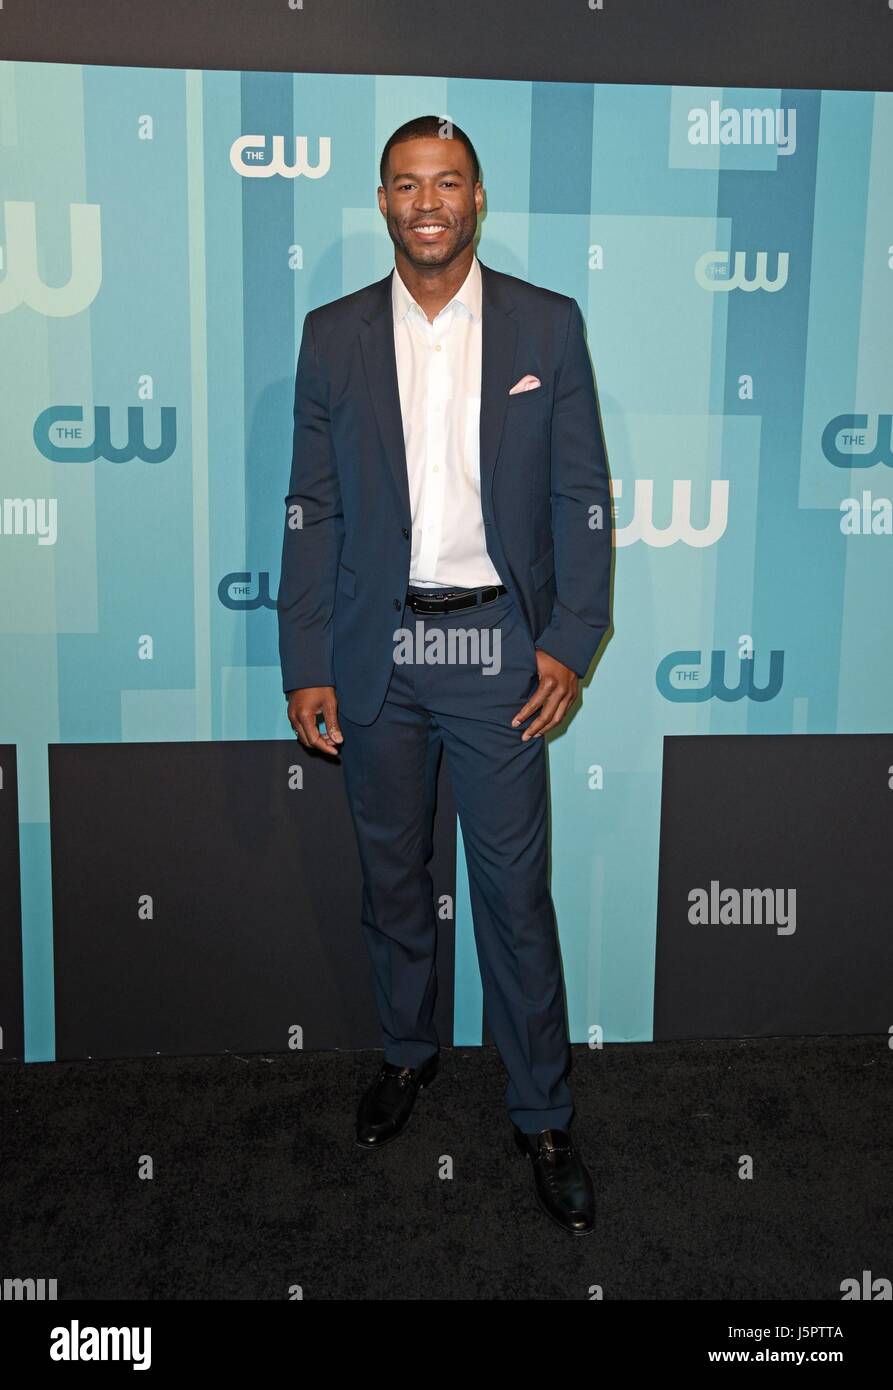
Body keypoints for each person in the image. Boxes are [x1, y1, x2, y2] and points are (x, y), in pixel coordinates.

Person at [277, 115, 612, 1235]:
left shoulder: (545, 325)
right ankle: (408, 1054)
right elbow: (311, 508)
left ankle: (541, 1114)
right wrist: (306, 655)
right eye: (407, 184)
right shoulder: (330, 336)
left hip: (492, 651)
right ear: (381, 201)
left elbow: (581, 497)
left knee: (513, 898)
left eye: (448, 182)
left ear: (478, 198)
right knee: (390, 881)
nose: (428, 202)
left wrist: (569, 636)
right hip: (379, 647)